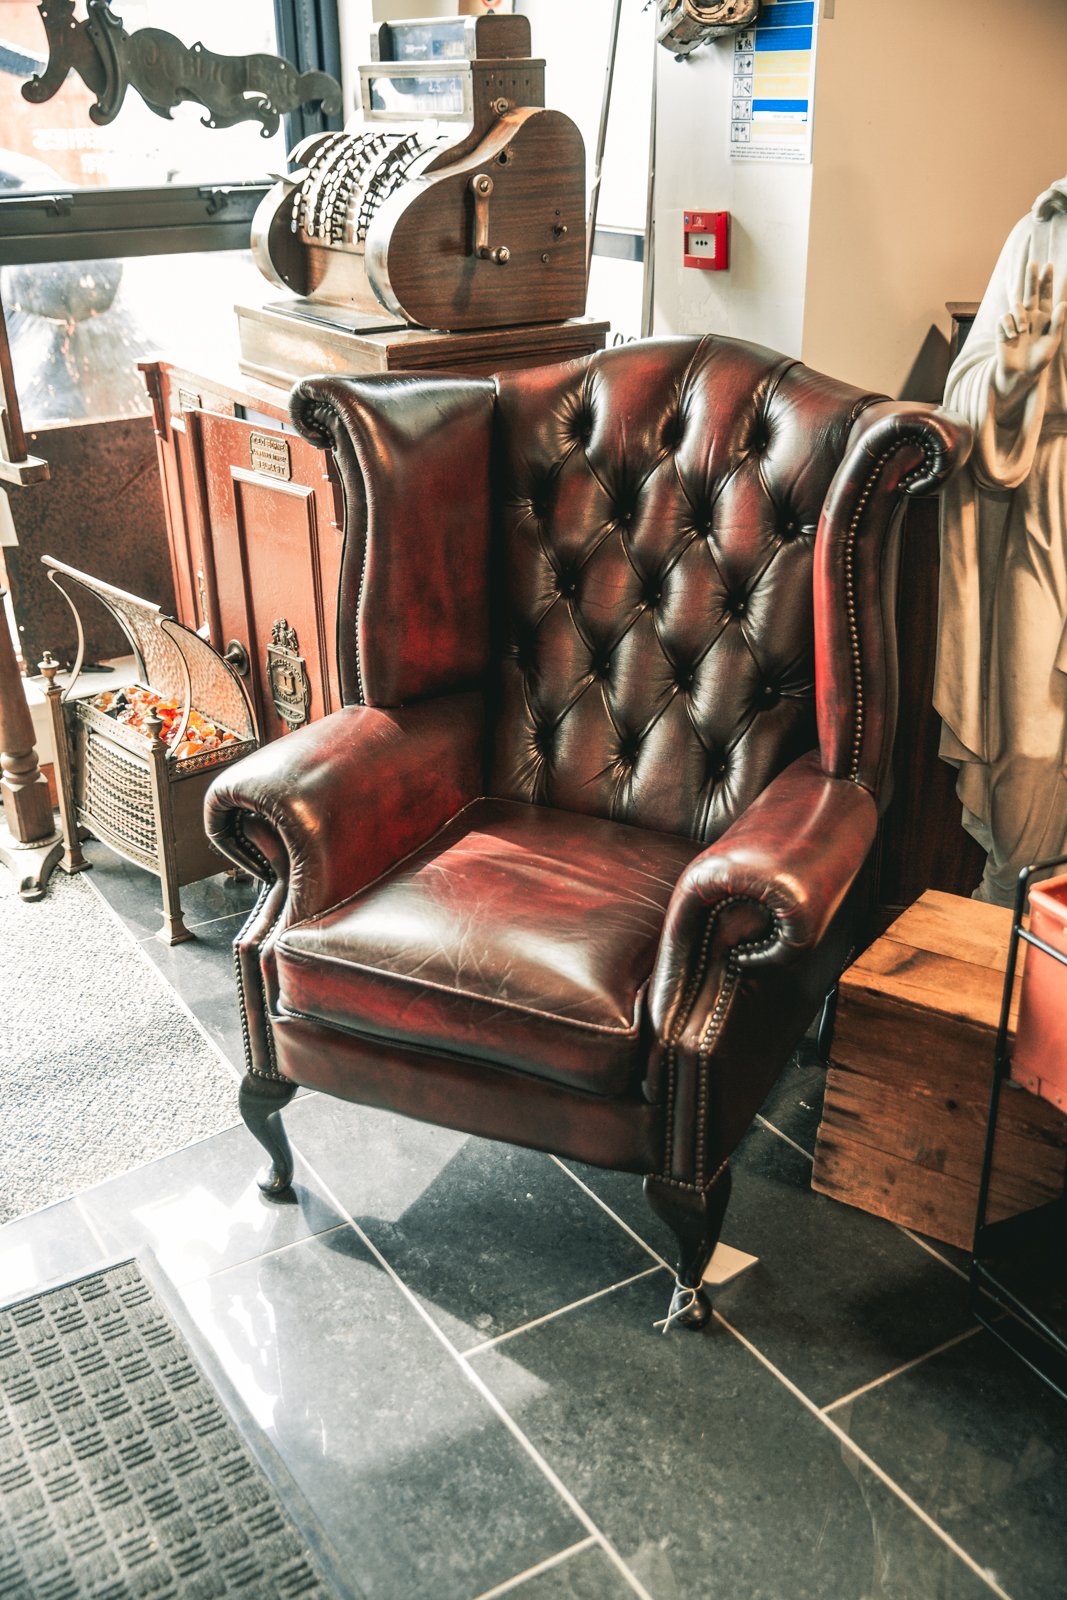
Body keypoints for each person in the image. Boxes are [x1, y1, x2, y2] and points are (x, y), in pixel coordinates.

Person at [936, 180, 1067, 904]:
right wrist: (1014, 382)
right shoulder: (1042, 232)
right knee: (1030, 747)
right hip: (1049, 508)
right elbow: (961, 399)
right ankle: (1011, 932)